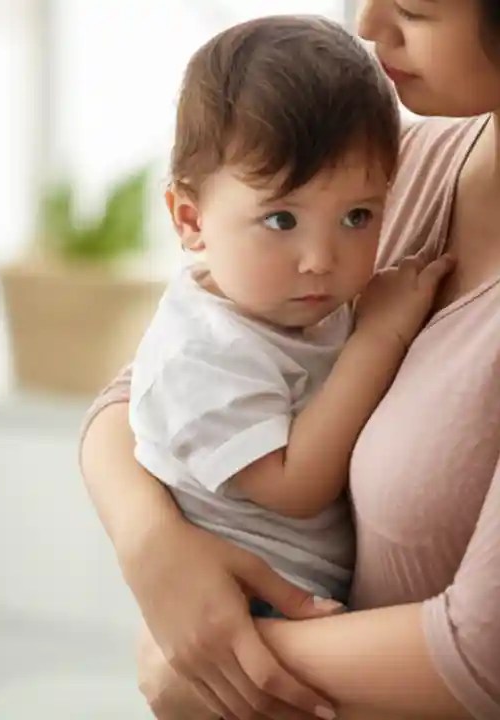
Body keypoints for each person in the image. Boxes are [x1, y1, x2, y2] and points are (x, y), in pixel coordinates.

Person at [80, 0, 500, 718]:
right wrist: (152, 547)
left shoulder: (364, 186)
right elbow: (130, 397)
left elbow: (482, 659)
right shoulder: (394, 162)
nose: (368, 25)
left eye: (413, 7)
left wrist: (210, 665)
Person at [128, 15, 452, 622]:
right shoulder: (201, 351)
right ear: (191, 220)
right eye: (281, 220)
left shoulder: (283, 301)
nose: (321, 261)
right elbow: (294, 488)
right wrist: (380, 337)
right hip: (253, 611)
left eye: (358, 216)